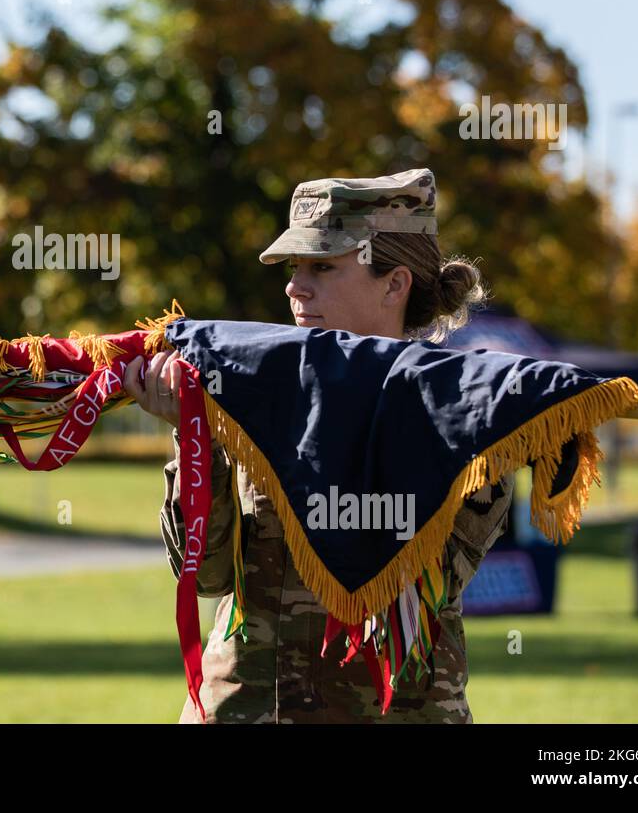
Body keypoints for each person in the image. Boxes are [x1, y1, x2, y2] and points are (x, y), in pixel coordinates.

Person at [123, 168, 512, 723]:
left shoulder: (459, 415)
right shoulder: (252, 393)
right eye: (294, 269)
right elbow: (208, 576)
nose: (294, 287)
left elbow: (431, 578)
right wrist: (195, 439)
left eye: (322, 267)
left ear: (395, 284)